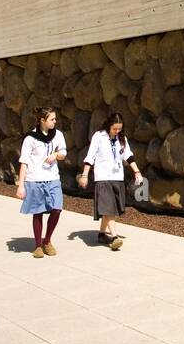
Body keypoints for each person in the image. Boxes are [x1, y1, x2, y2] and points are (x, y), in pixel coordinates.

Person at [79, 112, 142, 250]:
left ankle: (102, 234)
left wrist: (137, 172)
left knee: (110, 207)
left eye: (119, 128)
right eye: (115, 128)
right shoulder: (99, 136)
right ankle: (114, 237)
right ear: (109, 125)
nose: (117, 131)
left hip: (117, 177)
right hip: (102, 177)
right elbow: (90, 157)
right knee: (108, 207)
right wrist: (84, 175)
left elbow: (128, 156)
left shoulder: (121, 138)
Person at [16, 107, 66, 258]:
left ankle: (47, 240)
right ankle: (38, 245)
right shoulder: (30, 138)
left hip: (53, 178)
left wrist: (56, 154)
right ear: (42, 120)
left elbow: (63, 153)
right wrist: (21, 185)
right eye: (52, 119)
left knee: (56, 209)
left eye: (55, 119)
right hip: (35, 179)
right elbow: (24, 162)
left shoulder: (57, 135)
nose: (55, 122)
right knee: (38, 212)